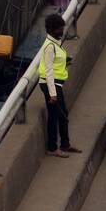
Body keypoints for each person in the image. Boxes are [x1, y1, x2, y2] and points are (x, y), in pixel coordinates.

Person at [38, 13, 80, 157]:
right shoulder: (50, 46)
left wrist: (65, 62)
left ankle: (65, 144)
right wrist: (53, 94)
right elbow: (48, 70)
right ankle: (52, 147)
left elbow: (54, 64)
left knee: (63, 115)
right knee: (55, 116)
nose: (62, 31)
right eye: (60, 28)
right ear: (53, 29)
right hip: (51, 85)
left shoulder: (55, 44)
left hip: (56, 84)